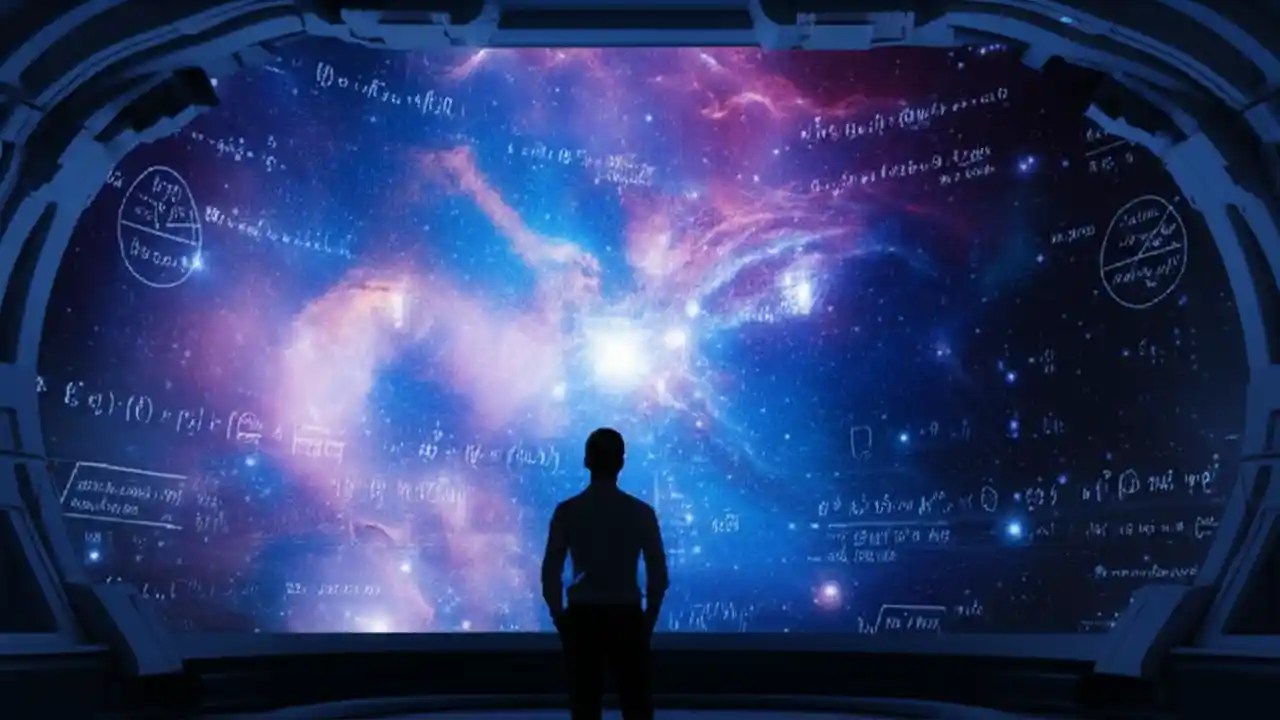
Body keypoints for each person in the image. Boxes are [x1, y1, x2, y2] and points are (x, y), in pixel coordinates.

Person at [541, 427, 669, 720]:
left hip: (583, 617)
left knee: (584, 705)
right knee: (636, 706)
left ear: (587, 461)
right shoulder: (641, 512)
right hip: (627, 616)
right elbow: (657, 569)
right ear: (621, 462)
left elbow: (551, 569)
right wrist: (650, 616)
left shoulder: (568, 512)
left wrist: (558, 615)